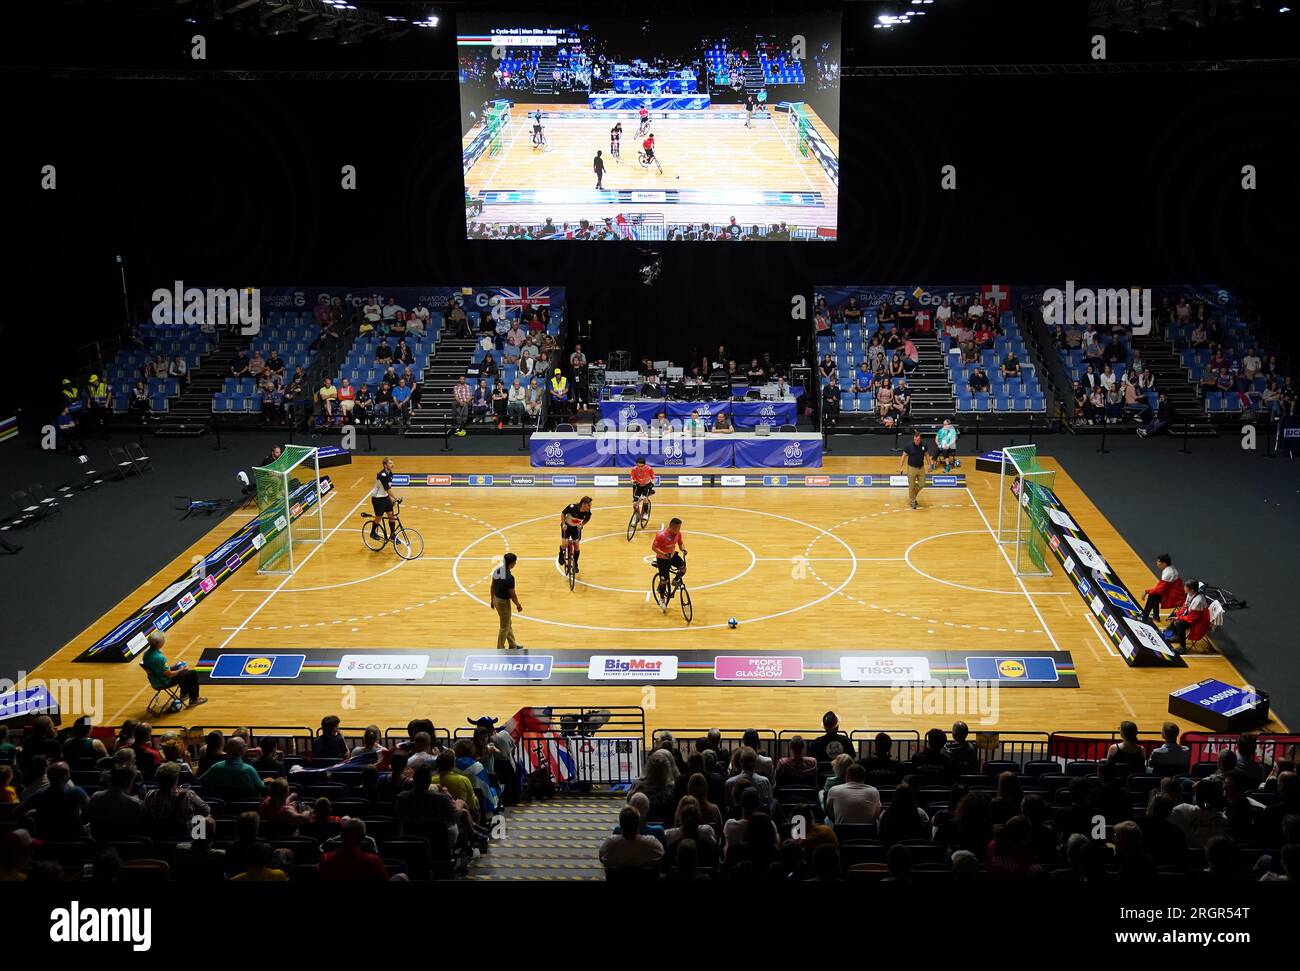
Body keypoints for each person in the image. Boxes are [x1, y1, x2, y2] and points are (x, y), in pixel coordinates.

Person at [141, 632, 206, 710]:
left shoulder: (146, 654)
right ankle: (194, 700)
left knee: (183, 673)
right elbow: (169, 674)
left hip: (155, 680)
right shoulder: (159, 657)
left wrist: (175, 666)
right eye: (163, 640)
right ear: (158, 643)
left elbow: (160, 669)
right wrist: (181, 669)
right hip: (163, 682)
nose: (164, 640)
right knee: (192, 674)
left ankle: (184, 694)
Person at [600, 806, 664, 871]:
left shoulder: (610, 843)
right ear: (638, 824)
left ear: (620, 824)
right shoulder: (652, 842)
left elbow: (601, 858)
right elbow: (662, 856)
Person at [1164, 579, 1210, 652]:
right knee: (1173, 615)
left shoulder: (1198, 600)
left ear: (1191, 589)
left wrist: (1177, 618)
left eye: (1185, 586)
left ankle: (1183, 647)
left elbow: (1192, 618)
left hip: (1199, 621)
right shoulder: (1190, 594)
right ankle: (1177, 637)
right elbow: (1185, 606)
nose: (1184, 587)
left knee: (1179, 623)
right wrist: (1178, 615)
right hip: (1192, 615)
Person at [490, 553, 523, 650]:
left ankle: (512, 645)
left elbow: (492, 586)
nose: (515, 564)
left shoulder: (497, 571)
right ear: (511, 564)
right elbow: (512, 594)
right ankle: (500, 648)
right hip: (503, 603)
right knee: (504, 626)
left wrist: (492, 600)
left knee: (508, 622)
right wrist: (518, 605)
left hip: (496, 599)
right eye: (514, 562)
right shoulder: (510, 578)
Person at [651, 517, 687, 603]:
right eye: (677, 528)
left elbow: (680, 543)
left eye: (679, 528)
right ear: (672, 527)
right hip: (662, 559)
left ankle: (675, 581)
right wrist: (664, 554)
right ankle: (662, 598)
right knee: (664, 581)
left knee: (683, 568)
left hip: (672, 556)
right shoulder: (661, 535)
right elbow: (654, 547)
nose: (679, 530)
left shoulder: (678, 534)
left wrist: (683, 549)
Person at [1141, 554, 1185, 622]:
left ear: (1164, 563)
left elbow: (1159, 590)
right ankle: (1155, 616)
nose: (1157, 563)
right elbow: (1160, 588)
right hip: (1171, 592)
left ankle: (1144, 617)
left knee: (1153, 596)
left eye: (1158, 561)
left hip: (1176, 597)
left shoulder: (1168, 573)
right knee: (1154, 594)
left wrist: (1146, 591)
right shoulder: (1168, 568)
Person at [898, 427, 934, 510]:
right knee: (911, 486)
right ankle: (913, 501)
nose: (916, 441)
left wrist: (929, 465)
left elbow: (927, 455)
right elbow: (903, 456)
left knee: (922, 484)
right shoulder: (909, 445)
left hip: (921, 468)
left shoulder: (924, 445)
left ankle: (912, 496)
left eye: (917, 440)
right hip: (911, 468)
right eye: (915, 440)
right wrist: (900, 467)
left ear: (920, 439)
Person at [558, 496, 592, 573]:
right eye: (588, 505)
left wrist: (582, 525)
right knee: (565, 543)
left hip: (576, 529)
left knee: (576, 545)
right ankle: (561, 555)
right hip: (567, 527)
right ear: (583, 504)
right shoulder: (572, 507)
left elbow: (587, 519)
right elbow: (563, 514)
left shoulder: (588, 512)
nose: (590, 507)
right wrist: (563, 524)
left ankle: (575, 563)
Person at [368, 457, 398, 543]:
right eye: (390, 463)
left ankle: (392, 535)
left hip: (385, 497)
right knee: (379, 517)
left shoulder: (390, 474)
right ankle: (373, 533)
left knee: (391, 516)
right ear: (385, 465)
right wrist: (395, 498)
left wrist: (391, 499)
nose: (393, 465)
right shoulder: (381, 475)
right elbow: (387, 489)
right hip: (377, 499)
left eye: (392, 463)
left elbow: (389, 487)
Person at [630, 456, 655, 528]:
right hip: (638, 485)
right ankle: (636, 517)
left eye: (641, 466)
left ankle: (645, 513)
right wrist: (633, 482)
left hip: (647, 485)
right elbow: (632, 478)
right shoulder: (634, 469)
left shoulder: (649, 469)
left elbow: (653, 477)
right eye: (638, 466)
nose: (640, 467)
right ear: (636, 464)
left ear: (644, 465)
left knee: (645, 498)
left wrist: (652, 483)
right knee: (635, 503)